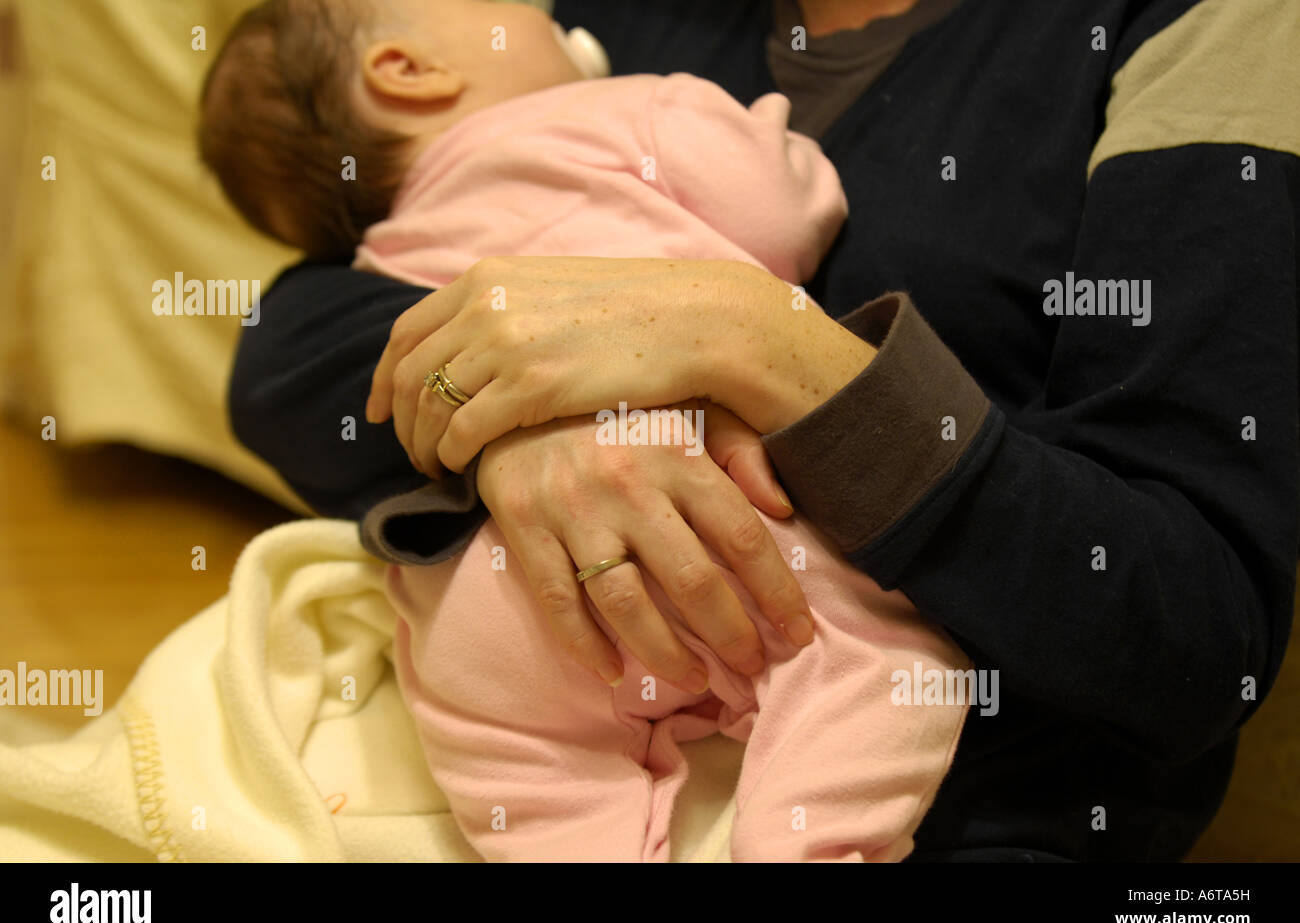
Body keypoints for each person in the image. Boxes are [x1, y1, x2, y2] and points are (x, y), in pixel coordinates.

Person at [230, 0, 1300, 861]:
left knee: (520, 753)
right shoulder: (595, 39)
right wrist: (528, 417)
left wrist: (753, 341)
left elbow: (1194, 633)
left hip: (982, 797)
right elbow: (285, 345)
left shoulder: (1202, 25)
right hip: (780, 630)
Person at [200, 0, 974, 861]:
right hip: (725, 525)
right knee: (876, 651)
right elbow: (778, 215)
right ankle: (808, 843)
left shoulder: (385, 247)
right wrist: (766, 134)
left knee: (529, 766)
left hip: (499, 597)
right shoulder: (628, 109)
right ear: (405, 71)